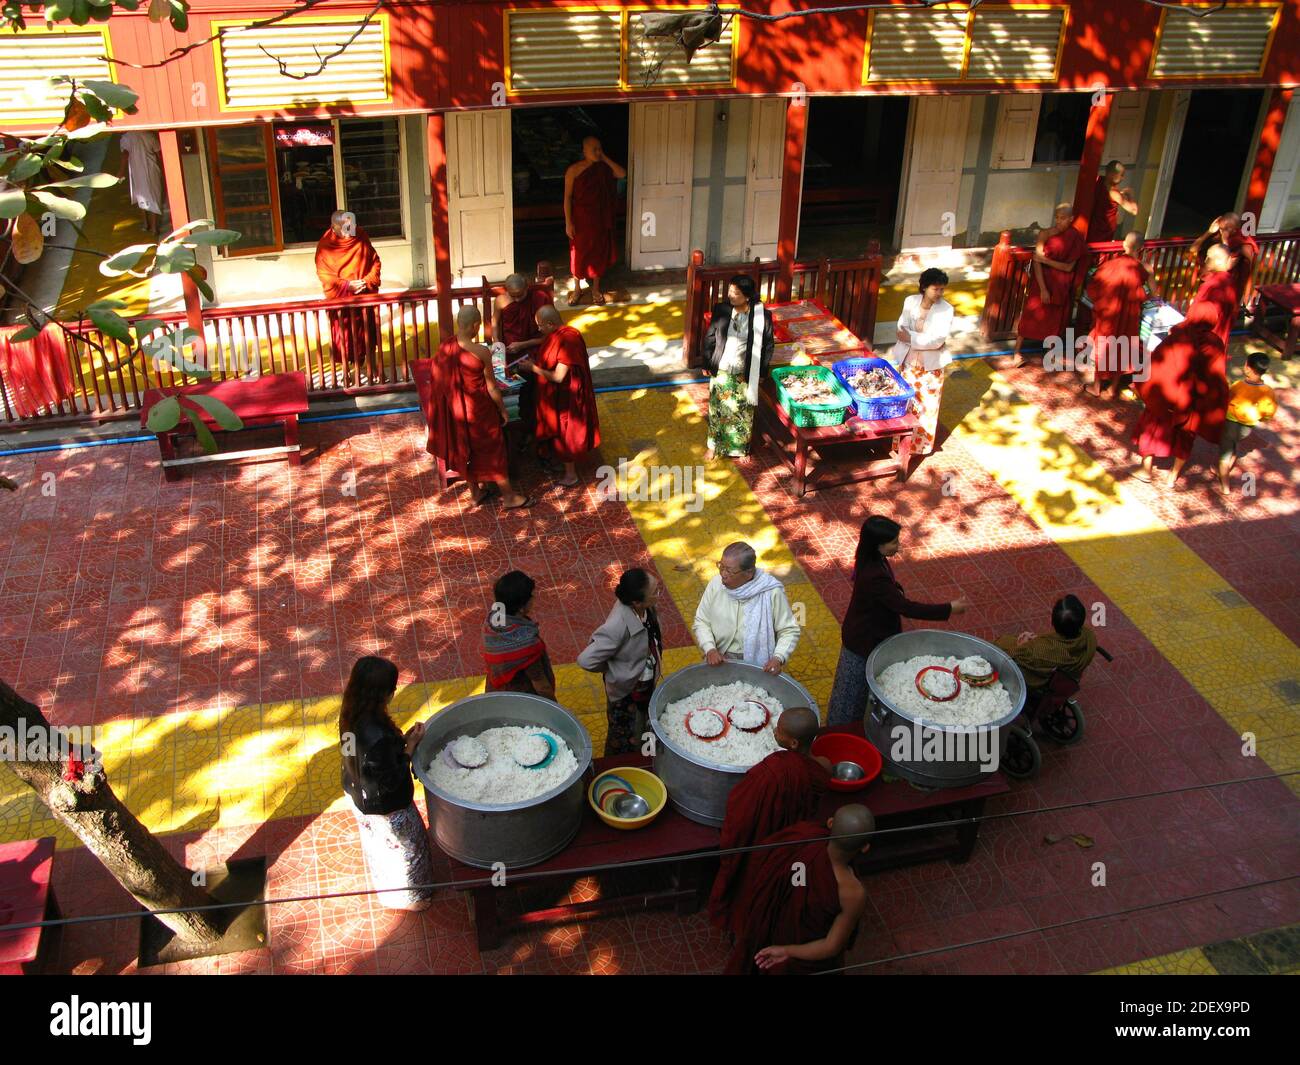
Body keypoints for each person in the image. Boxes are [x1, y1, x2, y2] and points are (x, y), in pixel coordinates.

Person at [827, 516, 968, 726]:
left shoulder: (872, 560)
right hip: (863, 640)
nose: (898, 546)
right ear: (878, 545)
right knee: (850, 693)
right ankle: (839, 731)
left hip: (864, 632)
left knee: (856, 688)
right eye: (893, 542)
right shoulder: (875, 575)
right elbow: (906, 607)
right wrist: (949, 608)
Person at [708, 707, 832, 933]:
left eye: (780, 731)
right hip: (795, 837)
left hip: (768, 843)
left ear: (793, 743)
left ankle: (749, 926)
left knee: (753, 883)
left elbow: (740, 812)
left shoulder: (771, 769)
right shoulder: (823, 766)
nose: (774, 730)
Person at [723, 804, 874, 976]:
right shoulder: (852, 893)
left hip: (777, 927)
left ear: (830, 823)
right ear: (865, 847)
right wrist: (787, 951)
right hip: (806, 953)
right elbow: (831, 946)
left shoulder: (802, 840)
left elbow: (797, 881)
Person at [339, 656, 435, 911]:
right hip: (386, 806)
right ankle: (415, 898)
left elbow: (362, 756)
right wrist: (410, 748)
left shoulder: (351, 712)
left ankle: (388, 890)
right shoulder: (378, 735)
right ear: (383, 694)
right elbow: (391, 780)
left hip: (357, 794)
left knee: (381, 848)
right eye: (392, 689)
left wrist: (402, 740)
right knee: (410, 849)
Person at [427, 305, 531, 510]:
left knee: (467, 450)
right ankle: (509, 496)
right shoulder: (482, 352)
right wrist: (502, 410)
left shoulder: (445, 348)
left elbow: (439, 381)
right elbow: (492, 387)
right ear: (475, 326)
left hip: (456, 411)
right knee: (494, 449)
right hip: (479, 410)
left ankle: (475, 493)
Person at [1131, 299, 1230, 488]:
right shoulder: (1215, 344)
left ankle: (1146, 469)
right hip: (1194, 400)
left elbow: (1158, 363)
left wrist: (1142, 384)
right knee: (1185, 437)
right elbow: (1216, 377)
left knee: (1152, 426)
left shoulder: (1178, 336)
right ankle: (1172, 477)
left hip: (1167, 394)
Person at [577, 567, 664, 756]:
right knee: (624, 735)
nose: (659, 595)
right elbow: (586, 660)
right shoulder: (618, 626)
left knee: (643, 726)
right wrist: (616, 669)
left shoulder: (644, 608)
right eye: (655, 592)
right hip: (626, 692)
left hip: (643, 684)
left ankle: (643, 753)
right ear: (636, 602)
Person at [516, 305, 601, 488]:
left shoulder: (568, 340)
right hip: (553, 394)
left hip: (566, 397)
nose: (539, 329)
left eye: (540, 325)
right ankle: (556, 461)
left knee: (564, 432)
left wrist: (533, 368)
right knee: (557, 429)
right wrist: (525, 346)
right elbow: (545, 342)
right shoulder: (563, 333)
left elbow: (558, 376)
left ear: (549, 323)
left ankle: (571, 475)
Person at [693, 541, 800, 674]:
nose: (723, 574)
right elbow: (702, 621)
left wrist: (778, 658)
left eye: (729, 571)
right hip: (720, 658)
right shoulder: (715, 584)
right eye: (721, 567)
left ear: (748, 573)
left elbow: (789, 630)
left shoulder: (771, 592)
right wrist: (710, 649)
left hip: (758, 663)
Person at [700, 274, 775, 460]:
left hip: (745, 372)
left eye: (736, 292)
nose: (731, 295)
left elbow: (767, 346)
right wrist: (707, 361)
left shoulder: (761, 316)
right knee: (717, 410)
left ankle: (741, 448)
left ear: (747, 296)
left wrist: (762, 372)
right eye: (730, 291)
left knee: (743, 412)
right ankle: (713, 446)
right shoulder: (722, 310)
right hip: (723, 369)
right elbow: (710, 336)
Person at [889, 267, 955, 456]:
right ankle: (898, 442)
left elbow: (937, 340)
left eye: (942, 289)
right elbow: (901, 327)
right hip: (908, 362)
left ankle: (919, 447)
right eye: (936, 289)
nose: (939, 293)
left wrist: (911, 338)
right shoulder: (910, 301)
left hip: (930, 368)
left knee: (927, 406)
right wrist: (918, 337)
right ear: (924, 287)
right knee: (905, 403)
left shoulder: (946, 309)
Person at [1010, 203, 1085, 367]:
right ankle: (1016, 353)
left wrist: (1045, 260)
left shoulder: (1075, 237)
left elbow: (1068, 267)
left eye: (1063, 218)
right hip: (1042, 281)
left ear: (1071, 219)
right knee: (1030, 315)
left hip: (1061, 283)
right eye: (1057, 218)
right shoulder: (1045, 234)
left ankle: (1052, 354)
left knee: (1056, 318)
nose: (1059, 222)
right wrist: (1043, 288)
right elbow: (1036, 263)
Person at [315, 210, 382, 382]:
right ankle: (346, 373)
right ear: (334, 227)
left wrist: (367, 281)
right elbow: (324, 275)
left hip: (364, 295)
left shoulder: (360, 236)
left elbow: (375, 261)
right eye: (345, 228)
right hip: (342, 301)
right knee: (344, 340)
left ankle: (372, 368)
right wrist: (346, 286)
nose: (349, 232)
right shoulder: (325, 246)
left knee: (369, 334)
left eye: (351, 226)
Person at [1085, 232, 1150, 399]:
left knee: (1103, 345)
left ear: (1124, 245)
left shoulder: (1111, 265)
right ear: (1141, 248)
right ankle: (1113, 388)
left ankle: (1096, 386)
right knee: (1124, 348)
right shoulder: (1140, 269)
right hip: (1129, 316)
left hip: (1109, 314)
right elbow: (1146, 293)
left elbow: (1094, 287)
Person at [492, 273, 554, 450]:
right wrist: (498, 348)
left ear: (528, 286)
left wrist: (523, 344)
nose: (517, 300)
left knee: (531, 382)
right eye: (513, 295)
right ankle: (505, 422)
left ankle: (531, 424)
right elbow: (495, 325)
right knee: (495, 381)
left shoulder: (540, 299)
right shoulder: (501, 301)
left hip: (532, 347)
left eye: (521, 295)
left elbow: (548, 334)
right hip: (509, 351)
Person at [994, 594, 1098, 697]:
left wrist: (1022, 645)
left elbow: (1016, 654)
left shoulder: (1038, 650)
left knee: (1001, 644)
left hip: (1038, 680)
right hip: (1062, 677)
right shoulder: (1089, 637)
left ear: (1053, 622)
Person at [564, 135, 625, 306]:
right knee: (578, 255)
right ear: (584, 151)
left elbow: (621, 173)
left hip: (600, 218)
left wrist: (603, 157)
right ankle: (577, 289)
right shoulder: (574, 170)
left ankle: (596, 289)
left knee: (598, 254)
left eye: (600, 148)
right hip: (580, 219)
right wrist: (568, 222)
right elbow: (567, 197)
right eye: (594, 149)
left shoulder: (603, 168)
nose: (597, 152)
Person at [483, 570, 556, 700]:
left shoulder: (492, 621)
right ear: (522, 607)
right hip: (522, 699)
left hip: (495, 694)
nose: (534, 599)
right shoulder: (527, 644)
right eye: (532, 596)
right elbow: (540, 684)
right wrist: (554, 706)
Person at [1218, 351, 1277, 495]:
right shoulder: (1268, 391)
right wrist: (1262, 419)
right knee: (1234, 448)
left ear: (1247, 367)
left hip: (1230, 423)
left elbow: (1227, 397)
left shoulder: (1238, 385)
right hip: (1247, 427)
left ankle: (1224, 484)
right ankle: (1224, 469)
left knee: (1225, 453)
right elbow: (1268, 411)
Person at [1190, 212, 1259, 311]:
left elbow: (1227, 266)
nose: (1221, 231)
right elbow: (1193, 249)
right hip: (1206, 280)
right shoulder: (1215, 235)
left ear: (1235, 230)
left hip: (1222, 288)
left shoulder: (1241, 243)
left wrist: (1225, 242)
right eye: (1221, 228)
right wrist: (1208, 232)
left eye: (1226, 229)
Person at [1190, 244, 1239, 351]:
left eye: (1208, 257)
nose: (1206, 260)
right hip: (1221, 336)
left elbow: (1195, 318)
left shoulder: (1210, 286)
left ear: (1217, 261)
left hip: (1204, 340)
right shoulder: (1231, 282)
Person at [118, 130, 164, 237]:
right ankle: (154, 228)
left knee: (141, 196)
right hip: (152, 169)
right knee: (154, 196)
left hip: (137, 170)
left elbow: (125, 155)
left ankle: (145, 223)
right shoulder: (149, 136)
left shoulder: (126, 138)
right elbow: (159, 153)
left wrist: (120, 172)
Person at [1086, 160, 1139, 244]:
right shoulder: (1114, 193)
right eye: (1121, 175)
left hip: (1091, 228)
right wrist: (1130, 196)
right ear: (1113, 175)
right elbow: (1134, 210)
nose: (1123, 178)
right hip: (1102, 233)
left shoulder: (1098, 180)